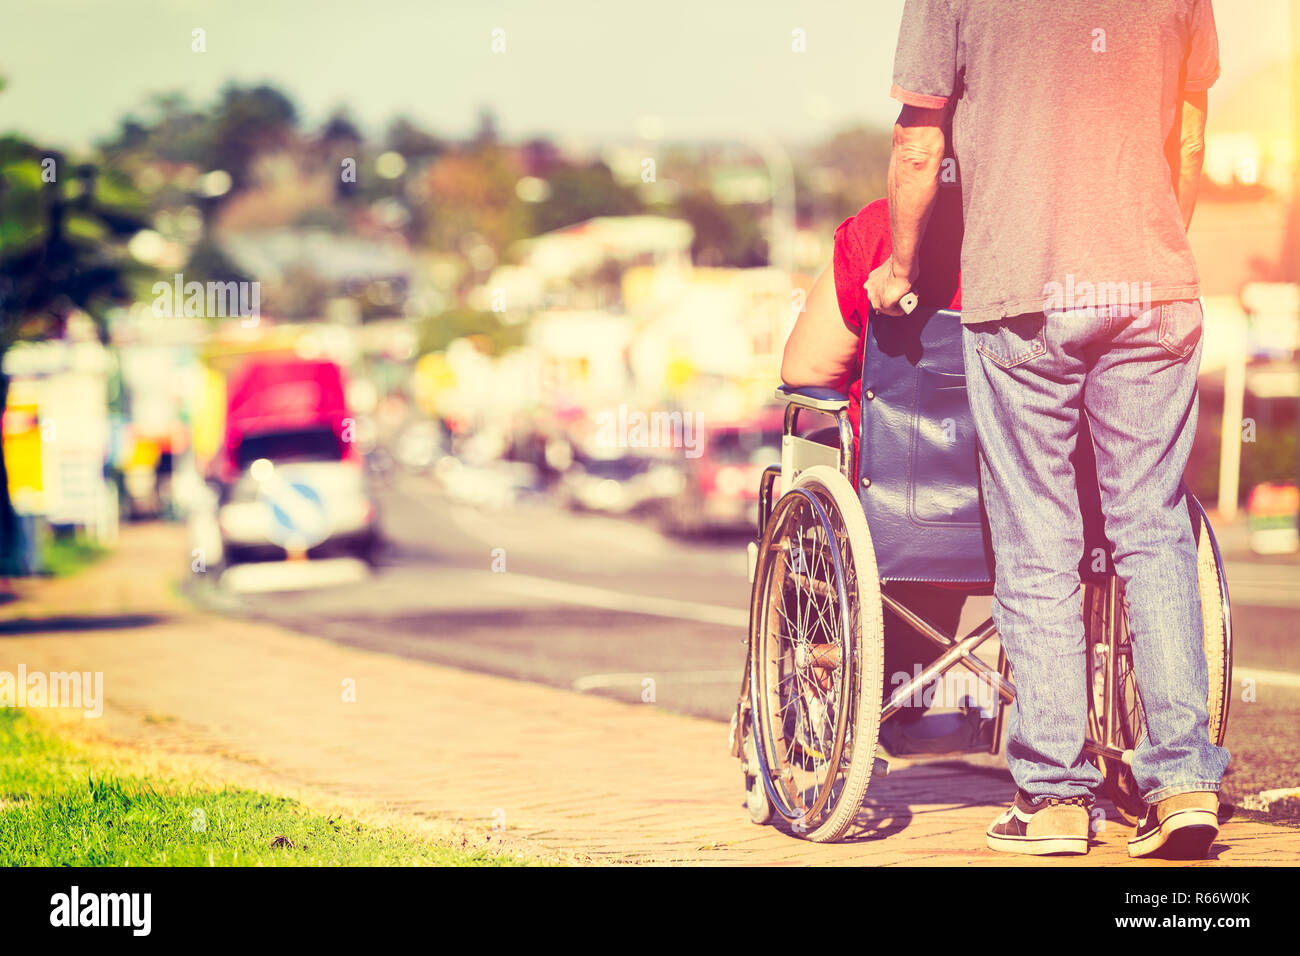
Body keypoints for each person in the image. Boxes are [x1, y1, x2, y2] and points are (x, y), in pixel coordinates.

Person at [868, 0, 1229, 858]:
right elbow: (1189, 138)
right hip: (1151, 288)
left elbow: (920, 145)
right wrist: (1150, 247)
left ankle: (1058, 800)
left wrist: (899, 266)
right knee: (1153, 529)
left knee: (1039, 539)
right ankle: (1182, 785)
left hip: (1025, 290)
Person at [782, 180, 973, 753]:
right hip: (1035, 519)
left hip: (907, 516)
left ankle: (825, 664)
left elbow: (804, 370)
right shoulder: (1077, 229)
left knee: (820, 442)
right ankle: (910, 694)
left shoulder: (878, 233)